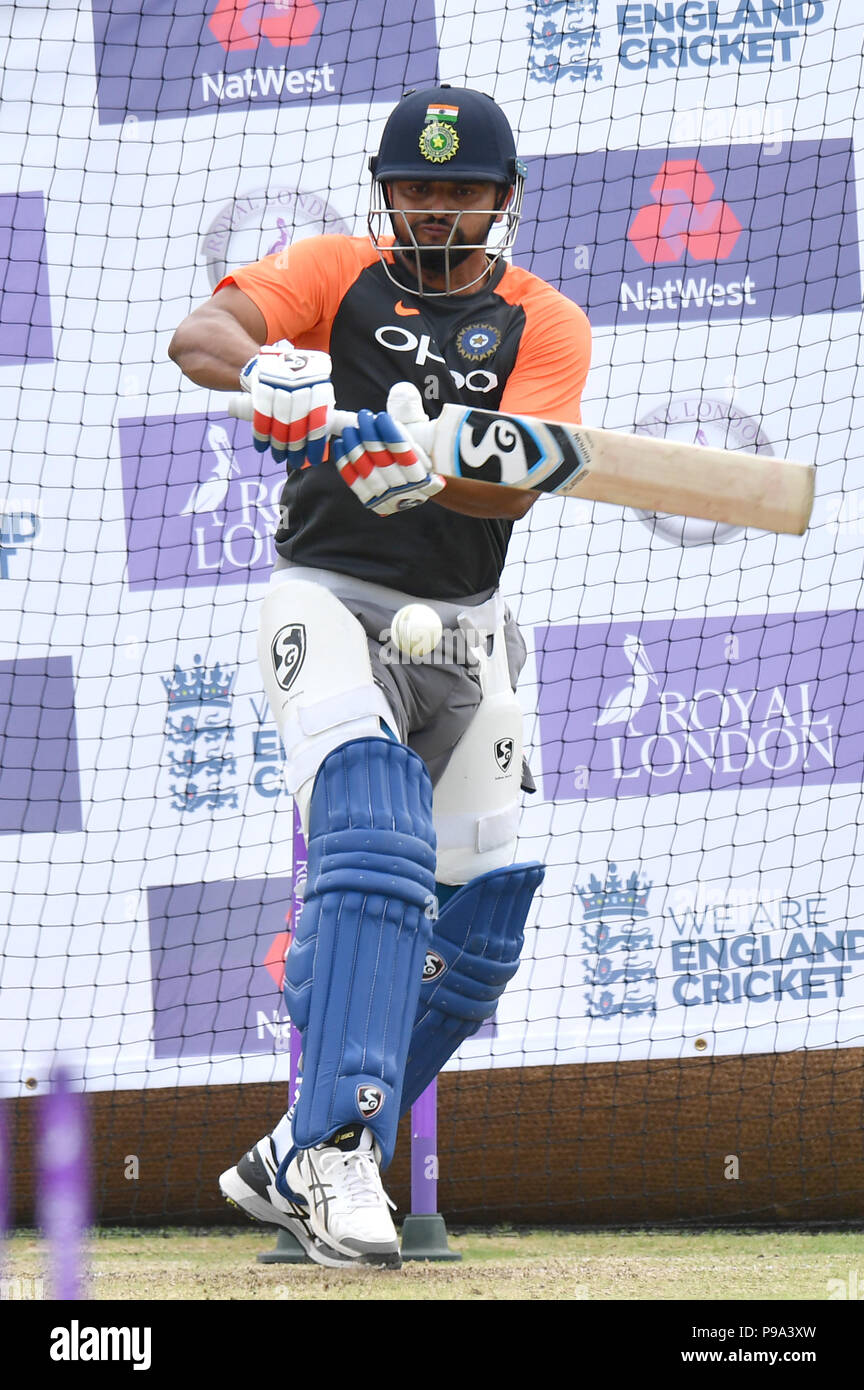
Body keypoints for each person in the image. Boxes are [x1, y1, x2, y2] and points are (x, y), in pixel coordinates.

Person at [168, 84, 591, 1268]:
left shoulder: (543, 321)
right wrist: (271, 379)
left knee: (490, 913)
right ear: (383, 191)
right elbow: (200, 333)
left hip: (468, 621)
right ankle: (343, 1155)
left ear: (501, 203)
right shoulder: (329, 268)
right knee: (370, 834)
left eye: (461, 193)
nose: (436, 211)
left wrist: (418, 460)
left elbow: (512, 483)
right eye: (415, 187)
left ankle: (290, 1150)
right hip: (329, 595)